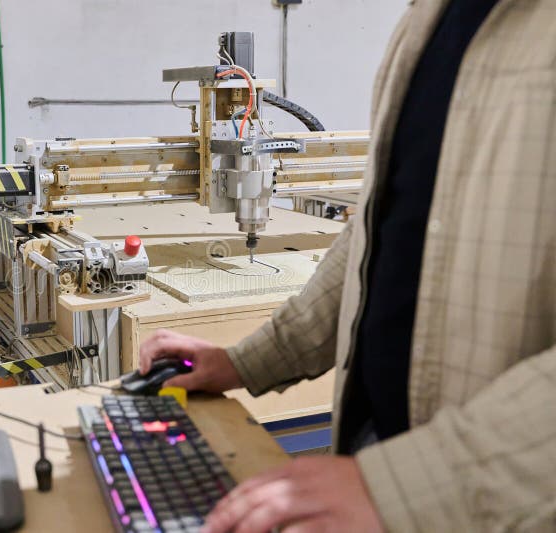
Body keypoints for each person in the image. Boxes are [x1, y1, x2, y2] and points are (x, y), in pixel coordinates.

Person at [139, 1, 556, 531]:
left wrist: (407, 484)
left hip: (488, 503)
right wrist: (248, 361)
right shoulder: (427, 20)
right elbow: (379, 238)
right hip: (373, 461)